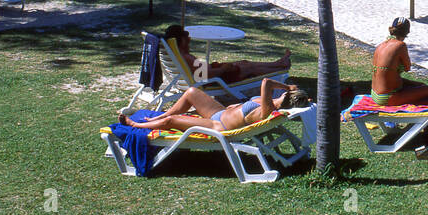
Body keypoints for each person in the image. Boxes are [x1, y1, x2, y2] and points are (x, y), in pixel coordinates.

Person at [120, 77, 304, 133]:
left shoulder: (269, 108)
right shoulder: (270, 104)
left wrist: (287, 85)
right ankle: (158, 115)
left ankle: (136, 125)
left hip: (219, 126)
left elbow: (266, 82)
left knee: (172, 120)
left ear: (287, 95)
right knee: (191, 92)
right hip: (221, 113)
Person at [164, 25, 291, 83]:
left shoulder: (176, 54)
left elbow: (200, 72)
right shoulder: (186, 58)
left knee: (244, 63)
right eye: (186, 37)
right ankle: (280, 67)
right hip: (218, 78)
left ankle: (278, 63)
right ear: (180, 40)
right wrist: (223, 69)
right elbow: (204, 76)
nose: (189, 39)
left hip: (214, 73)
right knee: (249, 68)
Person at [371, 17, 428, 106]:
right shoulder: (400, 45)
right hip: (388, 97)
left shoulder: (380, 46)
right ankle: (422, 115)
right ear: (406, 32)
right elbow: (407, 68)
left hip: (375, 94)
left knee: (418, 84)